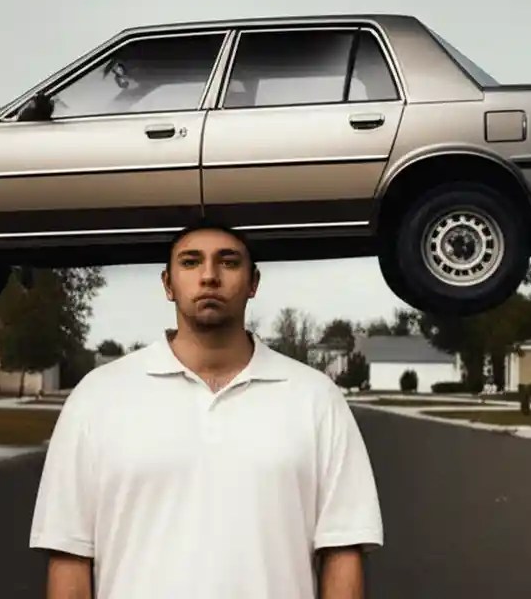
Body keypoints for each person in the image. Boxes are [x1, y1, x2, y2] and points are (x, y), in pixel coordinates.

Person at [28, 217, 383, 598]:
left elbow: (343, 549)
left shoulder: (316, 398)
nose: (209, 276)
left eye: (228, 262)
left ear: (253, 282)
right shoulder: (98, 397)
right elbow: (70, 555)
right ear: (168, 284)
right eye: (191, 262)